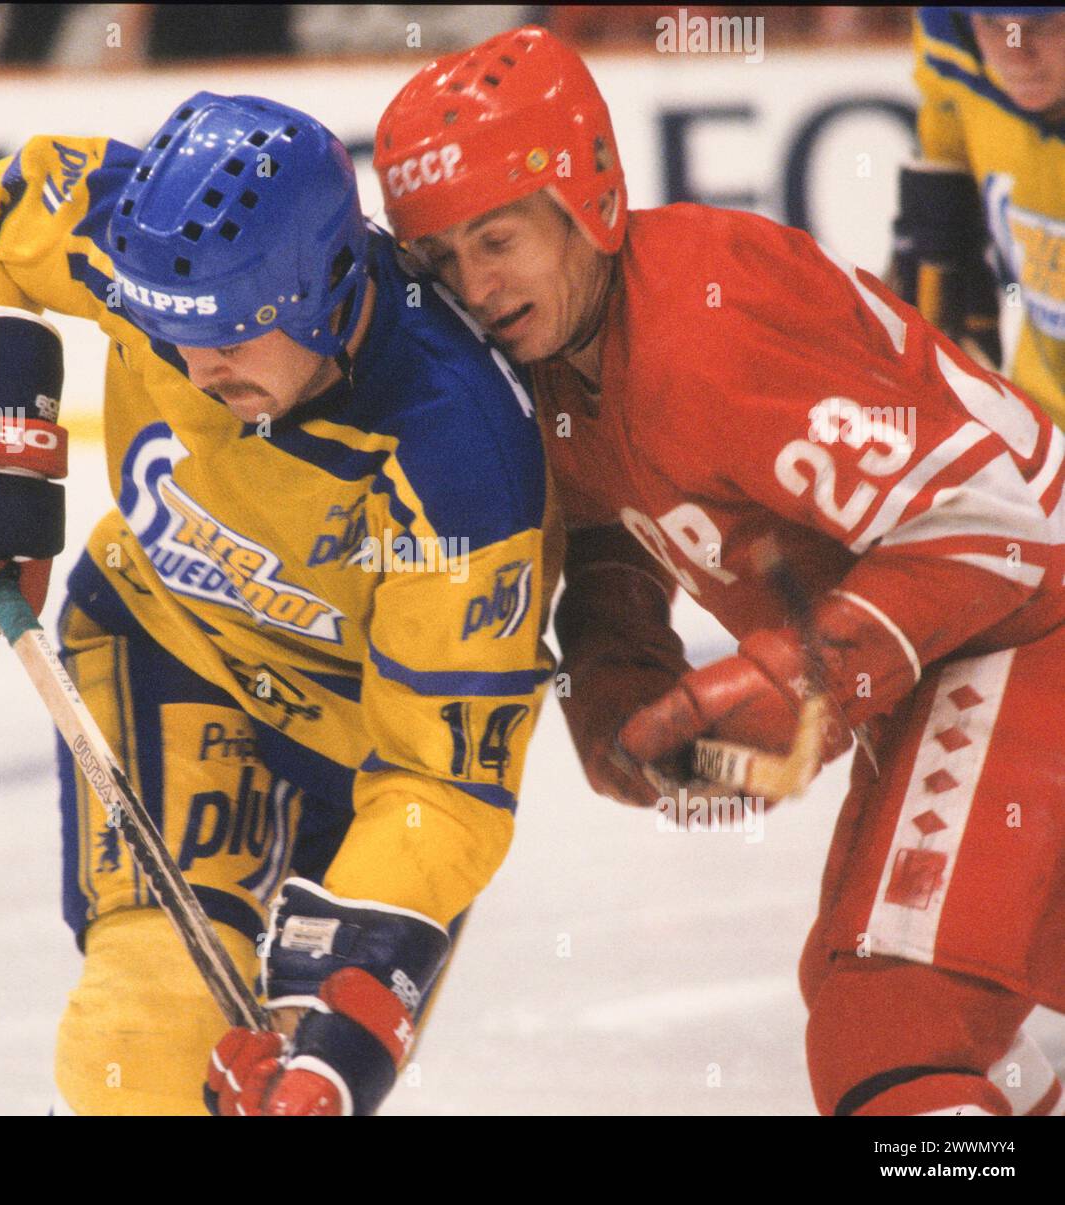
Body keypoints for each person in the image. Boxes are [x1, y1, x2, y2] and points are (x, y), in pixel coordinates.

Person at [377, 25, 1065, 1116]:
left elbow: (997, 526)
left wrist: (803, 673)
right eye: (442, 263)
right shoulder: (548, 368)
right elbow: (612, 520)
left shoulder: (712, 321)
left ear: (586, 200)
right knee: (980, 1036)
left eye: (497, 238)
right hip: (974, 648)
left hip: (1030, 628)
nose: (477, 286)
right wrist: (618, 660)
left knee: (893, 1026)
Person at [0, 91, 559, 1116]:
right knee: (145, 1040)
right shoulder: (137, 243)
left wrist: (332, 1033)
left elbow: (441, 784)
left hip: (369, 753)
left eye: (232, 335)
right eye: (167, 330)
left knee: (294, 1079)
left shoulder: (461, 462)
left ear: (327, 291)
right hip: (166, 642)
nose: (195, 368)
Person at [890, 7, 1065, 427]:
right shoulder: (952, 51)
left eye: (1038, 26)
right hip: (1045, 436)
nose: (1014, 52)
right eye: (993, 24)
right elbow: (940, 218)